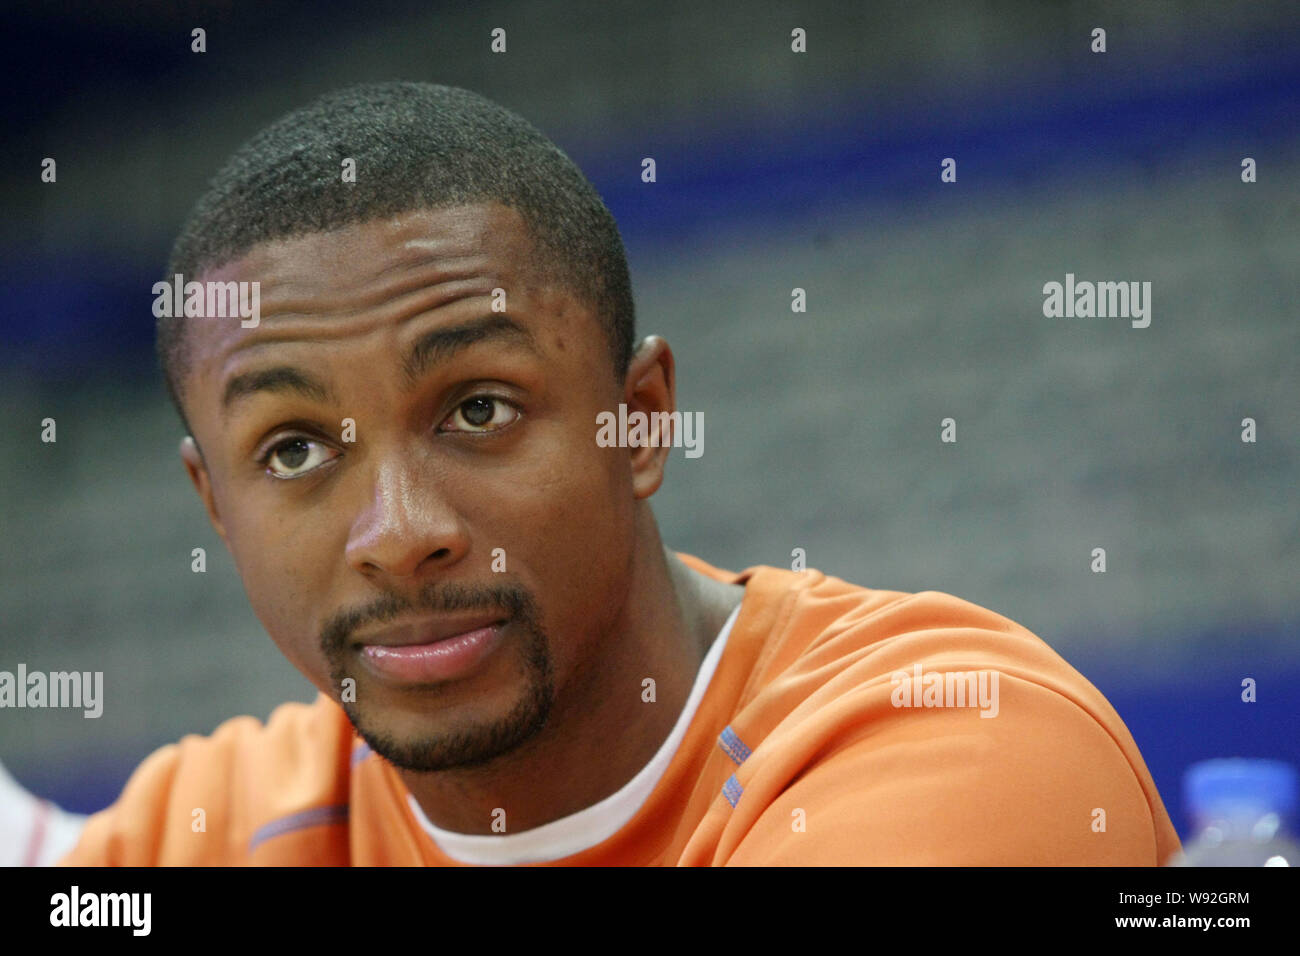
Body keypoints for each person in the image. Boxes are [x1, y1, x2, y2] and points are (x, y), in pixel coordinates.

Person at [59, 82, 1179, 865]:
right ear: (216, 503)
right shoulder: (219, 820)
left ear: (638, 420)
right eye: (294, 449)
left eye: (478, 408)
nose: (398, 532)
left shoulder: (954, 744)